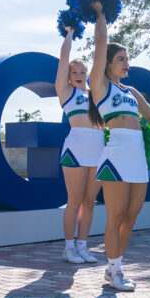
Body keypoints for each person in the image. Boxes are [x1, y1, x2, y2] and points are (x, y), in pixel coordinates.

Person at [88, 1, 150, 290]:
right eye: (121, 59)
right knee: (115, 215)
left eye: (127, 59)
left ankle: (113, 268)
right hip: (116, 155)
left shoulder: (131, 91)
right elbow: (100, 42)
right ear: (107, 63)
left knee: (131, 216)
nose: (126, 63)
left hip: (138, 157)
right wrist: (101, 13)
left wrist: (147, 133)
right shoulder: (100, 86)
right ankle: (116, 271)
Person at [55, 27, 104, 264]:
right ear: (68, 75)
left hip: (98, 151)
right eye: (74, 71)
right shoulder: (65, 92)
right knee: (74, 201)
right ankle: (68, 249)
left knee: (89, 202)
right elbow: (64, 57)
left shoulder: (96, 95)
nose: (79, 74)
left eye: (83, 71)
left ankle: (83, 247)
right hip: (75, 151)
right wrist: (70, 33)